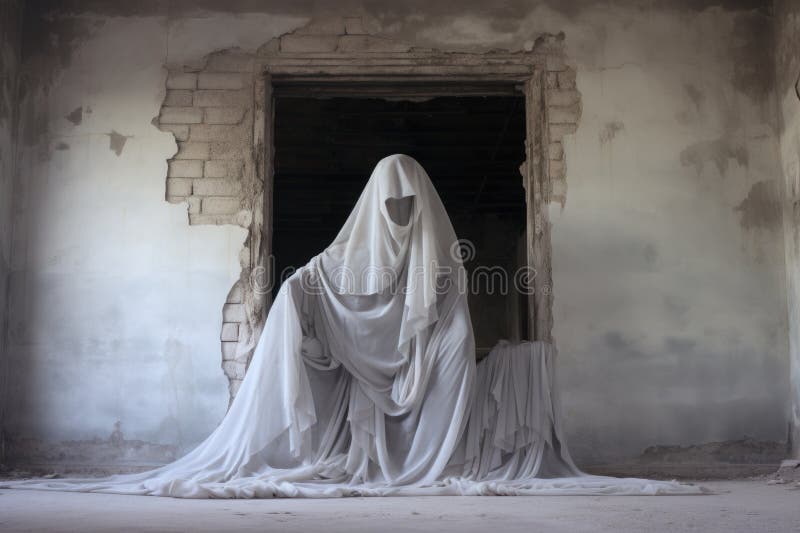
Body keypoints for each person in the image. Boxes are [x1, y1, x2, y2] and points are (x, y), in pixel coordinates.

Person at [1, 154, 703, 497]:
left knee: (457, 339)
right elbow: (318, 280)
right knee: (306, 327)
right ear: (375, 206)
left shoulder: (436, 261)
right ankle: (373, 444)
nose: (399, 220)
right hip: (365, 376)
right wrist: (303, 306)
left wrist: (428, 344)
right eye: (390, 208)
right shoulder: (345, 254)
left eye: (408, 209)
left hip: (419, 368)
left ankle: (432, 454)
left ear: (420, 207)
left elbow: (444, 316)